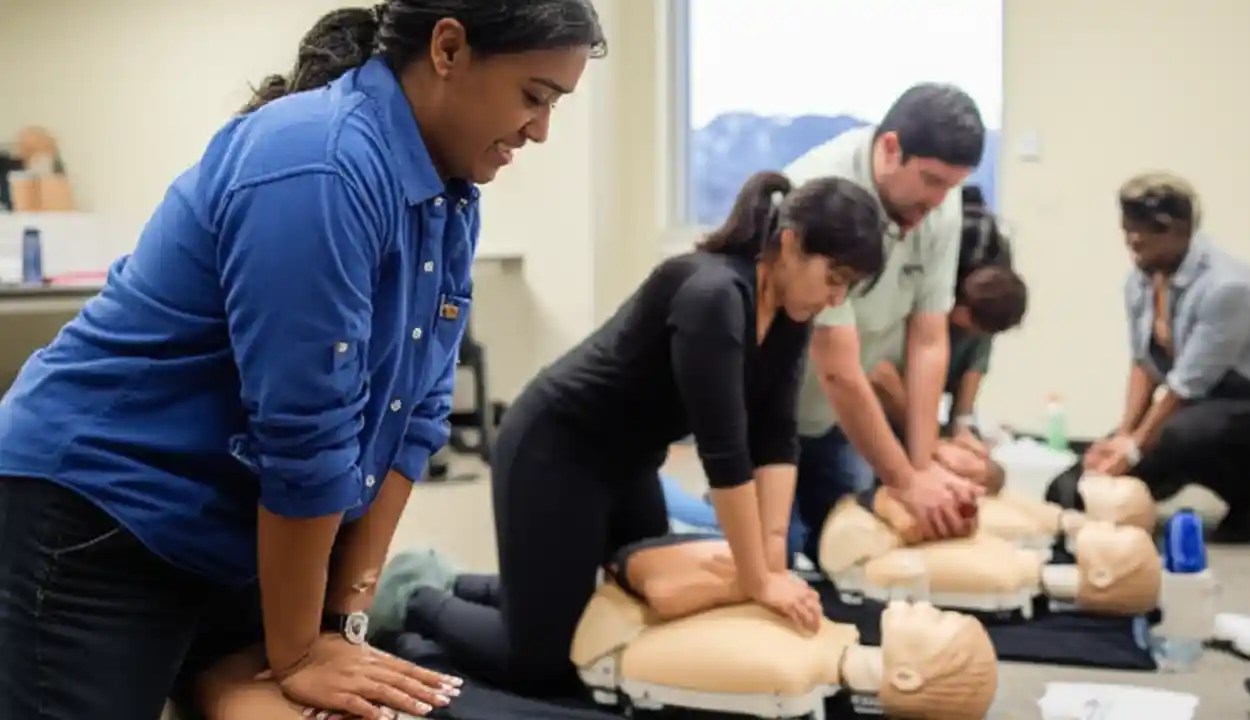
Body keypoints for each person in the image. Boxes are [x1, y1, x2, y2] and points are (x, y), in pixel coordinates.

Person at [0, 3, 606, 719]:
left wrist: (339, 626)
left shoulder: (451, 197)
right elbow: (306, 435)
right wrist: (296, 651)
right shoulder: (320, 160)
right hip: (99, 512)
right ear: (448, 48)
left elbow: (412, 421)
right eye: (533, 97)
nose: (540, 130)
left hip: (230, 527)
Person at [405, 171, 888, 696]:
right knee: (540, 661)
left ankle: (466, 582)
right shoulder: (714, 295)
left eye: (849, 286)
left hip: (630, 465)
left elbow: (775, 437)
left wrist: (774, 557)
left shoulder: (793, 316)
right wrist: (757, 578)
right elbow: (725, 453)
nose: (837, 298)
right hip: (557, 452)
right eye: (834, 276)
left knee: (630, 612)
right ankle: (415, 594)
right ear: (791, 244)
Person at [783, 83, 988, 565]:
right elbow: (835, 362)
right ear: (891, 147)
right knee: (777, 553)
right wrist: (907, 481)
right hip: (769, 409)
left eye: (951, 186)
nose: (939, 200)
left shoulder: (940, 203)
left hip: (839, 416)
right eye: (931, 180)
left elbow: (928, 339)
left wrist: (923, 465)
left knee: (852, 554)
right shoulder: (821, 191)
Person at [1084, 172, 1250, 544]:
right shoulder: (1140, 279)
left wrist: (1136, 448)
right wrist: (1123, 436)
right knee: (1073, 490)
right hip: (1193, 407)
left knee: (1181, 437)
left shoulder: (1229, 286)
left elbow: (1188, 384)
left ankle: (1248, 494)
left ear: (1181, 231)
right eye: (1128, 229)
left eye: (1145, 232)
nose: (1133, 240)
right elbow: (1143, 364)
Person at [868, 189, 1027, 492]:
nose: (972, 333)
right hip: (869, 418)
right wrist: (935, 441)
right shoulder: (914, 296)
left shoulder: (986, 301)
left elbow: (973, 369)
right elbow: (878, 373)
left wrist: (963, 428)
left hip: (921, 427)